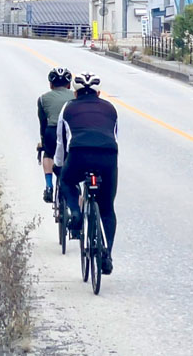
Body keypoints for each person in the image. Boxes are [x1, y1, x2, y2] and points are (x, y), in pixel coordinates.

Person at [54, 71, 119, 275]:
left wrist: (59, 165)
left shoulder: (68, 108)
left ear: (75, 93)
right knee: (107, 208)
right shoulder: (111, 108)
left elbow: (61, 142)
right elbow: (116, 137)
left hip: (79, 153)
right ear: (98, 93)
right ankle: (107, 254)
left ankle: (75, 212)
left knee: (66, 181)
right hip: (108, 156)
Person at [37, 67, 73, 204]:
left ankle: (49, 186)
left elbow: (43, 123)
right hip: (71, 132)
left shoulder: (42, 99)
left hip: (52, 130)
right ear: (69, 84)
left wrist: (43, 142)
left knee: (48, 153)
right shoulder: (75, 96)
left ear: (51, 84)